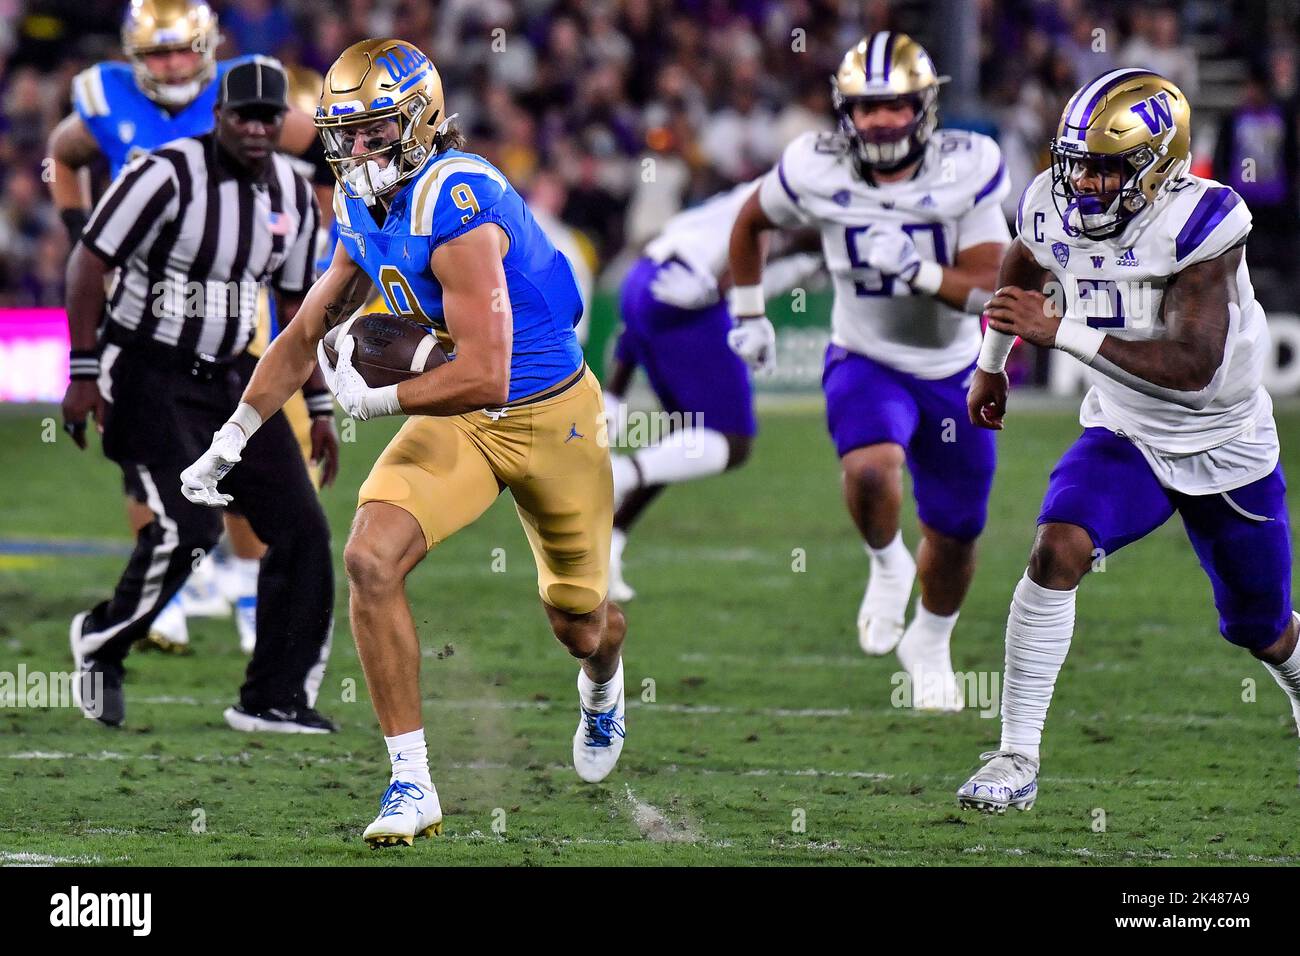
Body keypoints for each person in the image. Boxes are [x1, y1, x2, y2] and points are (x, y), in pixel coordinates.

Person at [180, 39, 628, 847]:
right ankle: (411, 780)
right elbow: (307, 326)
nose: (354, 150)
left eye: (373, 132)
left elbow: (489, 373)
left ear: (419, 123)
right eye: (343, 133)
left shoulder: (457, 199)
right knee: (369, 556)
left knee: (579, 619)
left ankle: (603, 683)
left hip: (552, 415)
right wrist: (234, 436)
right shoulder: (357, 202)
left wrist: (374, 396)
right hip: (454, 419)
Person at [958, 70, 1298, 812]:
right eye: (1078, 160)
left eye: (1109, 165)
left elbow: (1192, 369)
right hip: (1125, 430)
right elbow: (1025, 260)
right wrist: (992, 366)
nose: (1084, 180)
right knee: (1057, 549)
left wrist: (1061, 333)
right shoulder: (1051, 199)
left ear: (1160, 162)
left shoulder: (1203, 220)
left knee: (1260, 627)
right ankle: (1017, 755)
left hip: (1223, 436)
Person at [727, 32, 1010, 709]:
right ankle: (886, 565)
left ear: (924, 106)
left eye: (895, 105)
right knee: (871, 469)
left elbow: (989, 288)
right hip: (865, 355)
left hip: (953, 369)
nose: (880, 119)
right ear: (844, 111)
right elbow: (750, 221)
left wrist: (918, 270)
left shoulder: (967, 166)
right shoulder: (815, 167)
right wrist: (747, 312)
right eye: (866, 106)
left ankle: (931, 641)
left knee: (956, 531)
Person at [48, 0, 336, 655]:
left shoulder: (245, 92)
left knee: (243, 449)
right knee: (148, 457)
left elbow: (321, 152)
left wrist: (317, 233)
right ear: (133, 56)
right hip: (145, 309)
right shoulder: (105, 99)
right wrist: (79, 232)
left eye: (182, 51)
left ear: (207, 48)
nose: (172, 65)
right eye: (157, 54)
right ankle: (168, 594)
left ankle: (240, 584)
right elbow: (64, 156)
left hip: (237, 304)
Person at [604, 178, 821, 601]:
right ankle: (620, 475)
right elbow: (778, 234)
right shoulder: (798, 194)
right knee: (732, 440)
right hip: (688, 291)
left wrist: (615, 393)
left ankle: (608, 546)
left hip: (646, 285)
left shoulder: (724, 208)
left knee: (685, 439)